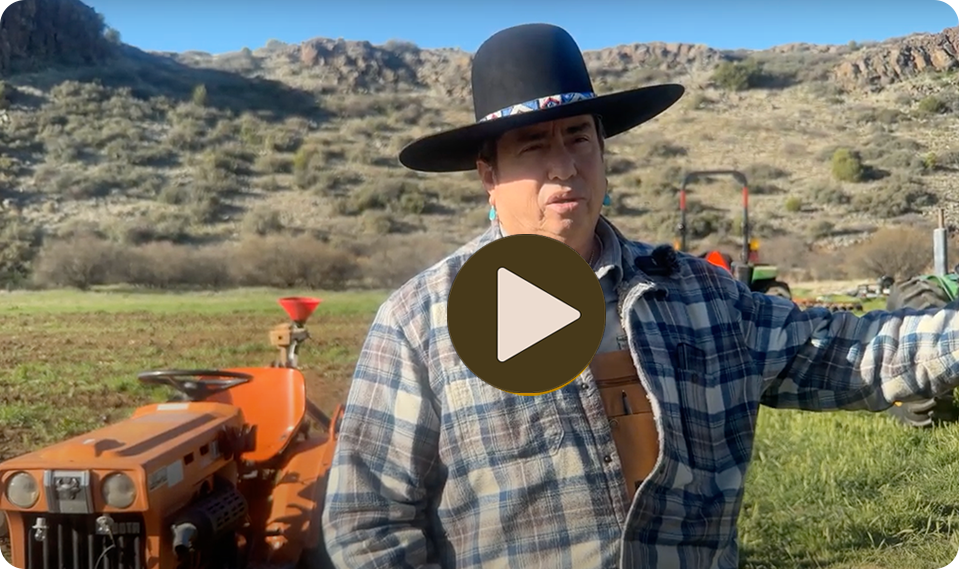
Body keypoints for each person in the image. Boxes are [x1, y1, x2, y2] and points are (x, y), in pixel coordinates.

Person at [320, 23, 959, 569]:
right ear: (488, 174)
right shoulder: (420, 322)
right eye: (533, 146)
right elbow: (368, 522)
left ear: (603, 151)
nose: (564, 167)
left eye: (578, 138)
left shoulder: (705, 298)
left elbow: (857, 351)